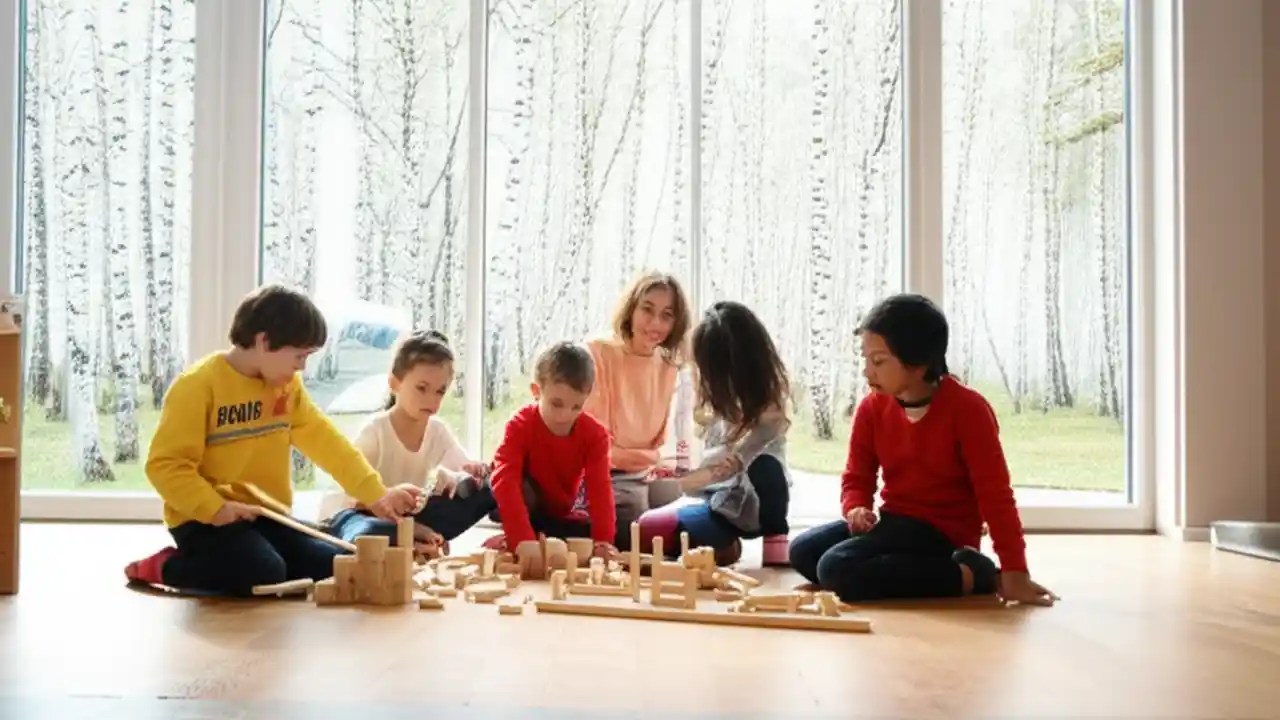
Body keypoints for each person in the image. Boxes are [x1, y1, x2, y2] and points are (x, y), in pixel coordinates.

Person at [123, 284, 421, 596]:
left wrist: (375, 494)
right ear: (264, 341)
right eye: (299, 355)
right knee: (264, 571)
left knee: (333, 564)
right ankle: (166, 566)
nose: (302, 367)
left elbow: (327, 443)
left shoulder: (286, 387)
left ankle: (272, 554)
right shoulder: (196, 387)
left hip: (266, 515)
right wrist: (215, 507)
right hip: (204, 520)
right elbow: (165, 466)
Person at [788, 293, 1058, 606]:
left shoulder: (968, 410)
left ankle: (975, 575)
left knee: (834, 568)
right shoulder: (871, 409)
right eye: (866, 360)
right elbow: (857, 476)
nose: (867, 372)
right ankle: (918, 573)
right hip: (894, 523)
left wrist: (1015, 572)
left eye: (878, 361)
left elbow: (995, 496)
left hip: (942, 535)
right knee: (803, 551)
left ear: (918, 364)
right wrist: (856, 508)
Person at [635, 301, 792, 566]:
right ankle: (721, 547)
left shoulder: (770, 409)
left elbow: (752, 447)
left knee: (766, 467)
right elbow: (697, 477)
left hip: (757, 507)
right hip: (718, 504)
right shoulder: (710, 403)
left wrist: (732, 460)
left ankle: (774, 542)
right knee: (647, 528)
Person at [322, 330, 495, 555]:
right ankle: (413, 538)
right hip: (362, 518)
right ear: (395, 383)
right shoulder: (375, 432)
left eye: (440, 391)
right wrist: (386, 496)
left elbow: (463, 467)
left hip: (408, 518)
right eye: (422, 388)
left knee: (489, 490)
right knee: (368, 531)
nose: (431, 399)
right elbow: (346, 498)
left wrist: (468, 473)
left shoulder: (437, 430)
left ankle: (417, 538)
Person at [583, 270, 692, 550]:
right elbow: (597, 447)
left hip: (644, 471)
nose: (656, 323)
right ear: (631, 308)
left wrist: (660, 463)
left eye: (667, 315)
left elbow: (668, 441)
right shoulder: (598, 353)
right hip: (603, 472)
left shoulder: (669, 365)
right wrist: (650, 458)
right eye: (647, 310)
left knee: (691, 501)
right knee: (634, 530)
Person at [485, 341, 618, 559]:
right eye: (556, 404)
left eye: (576, 407)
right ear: (536, 391)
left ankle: (533, 537)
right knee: (500, 487)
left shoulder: (595, 435)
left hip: (559, 512)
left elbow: (600, 491)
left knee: (598, 532)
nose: (565, 416)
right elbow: (505, 482)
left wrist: (604, 542)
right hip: (520, 504)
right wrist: (523, 541)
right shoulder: (520, 425)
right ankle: (514, 536)